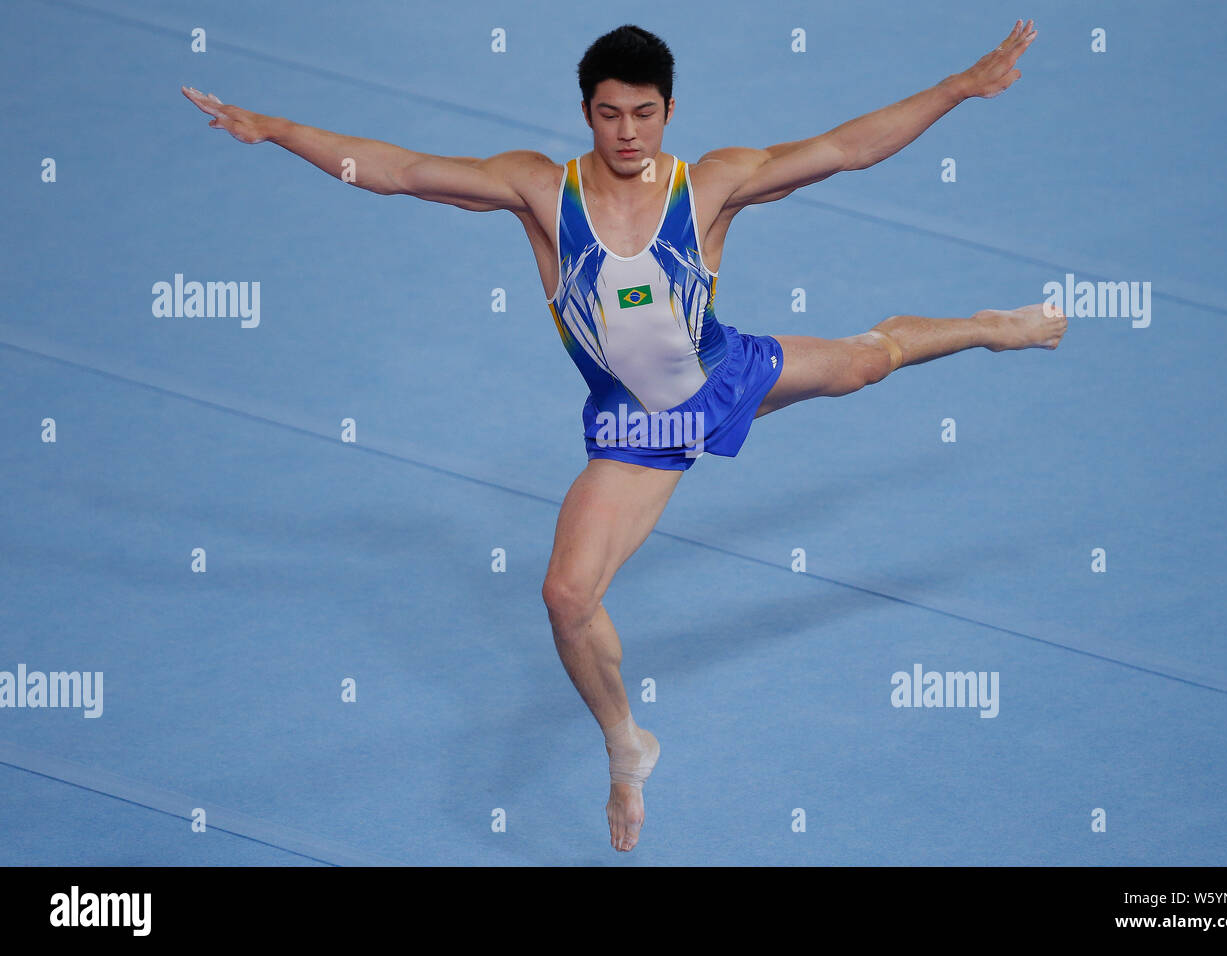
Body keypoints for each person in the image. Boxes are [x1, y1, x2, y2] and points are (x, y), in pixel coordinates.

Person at [183, 18, 1064, 853]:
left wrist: (960, 86)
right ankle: (625, 746)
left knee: (870, 361)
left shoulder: (709, 183)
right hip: (637, 427)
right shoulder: (540, 189)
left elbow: (845, 149)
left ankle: (989, 325)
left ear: (669, 111)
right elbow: (402, 170)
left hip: (724, 372)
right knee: (566, 597)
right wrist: (274, 128)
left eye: (644, 113)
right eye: (609, 113)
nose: (628, 131)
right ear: (586, 113)